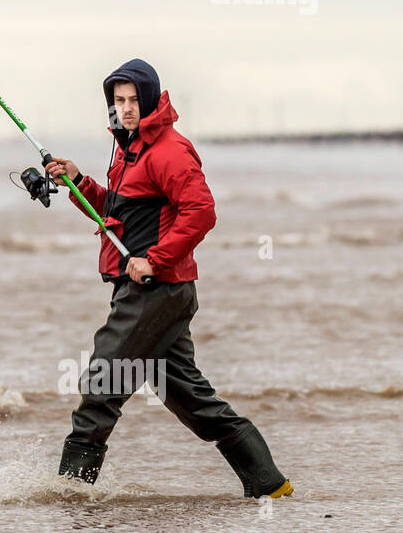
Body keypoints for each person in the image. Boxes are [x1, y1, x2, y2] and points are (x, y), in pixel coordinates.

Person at [43, 58, 293, 499]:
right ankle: (271, 485)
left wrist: (155, 261)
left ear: (152, 98)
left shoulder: (170, 150)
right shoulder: (128, 149)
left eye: (133, 100)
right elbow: (114, 213)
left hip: (156, 290)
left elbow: (202, 211)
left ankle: (69, 495)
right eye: (118, 101)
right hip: (152, 291)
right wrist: (77, 180)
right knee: (190, 398)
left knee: (102, 384)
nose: (125, 109)